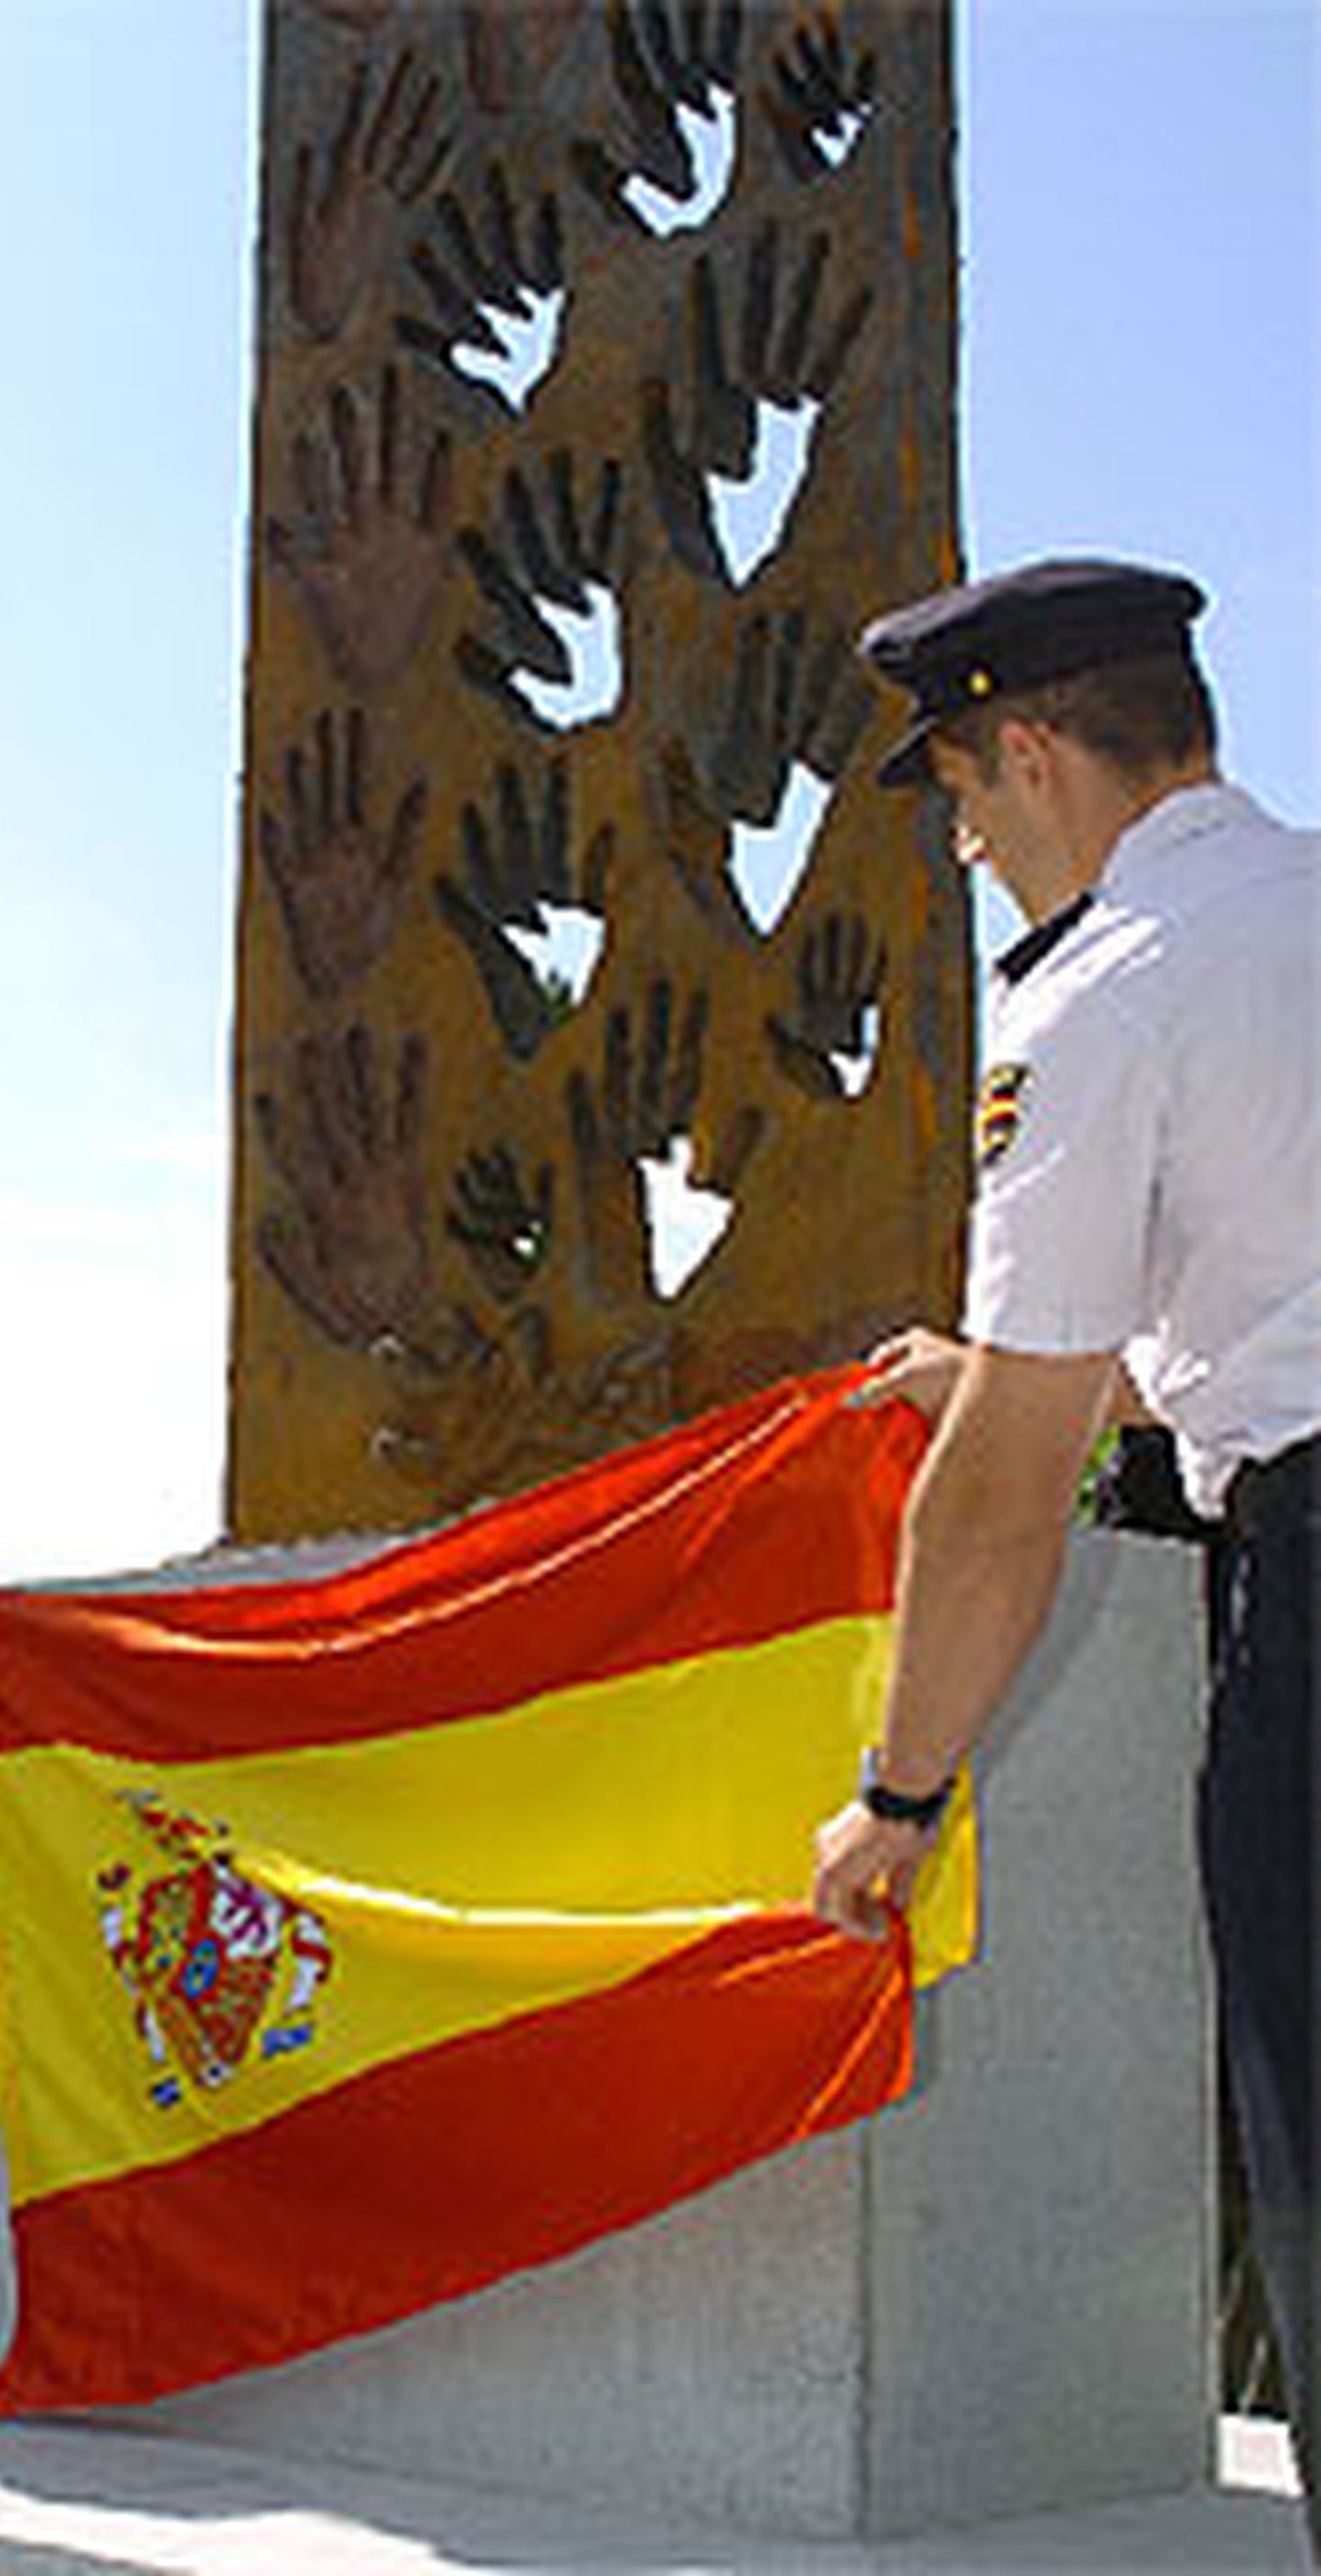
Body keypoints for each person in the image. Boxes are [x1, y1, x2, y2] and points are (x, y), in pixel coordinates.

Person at [807, 561, 1318, 2546]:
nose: (962, 844)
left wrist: (897, 1789)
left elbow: (1002, 1484)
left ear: (1026, 751)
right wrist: (1073, 1371)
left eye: (953, 800)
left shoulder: (1105, 997)